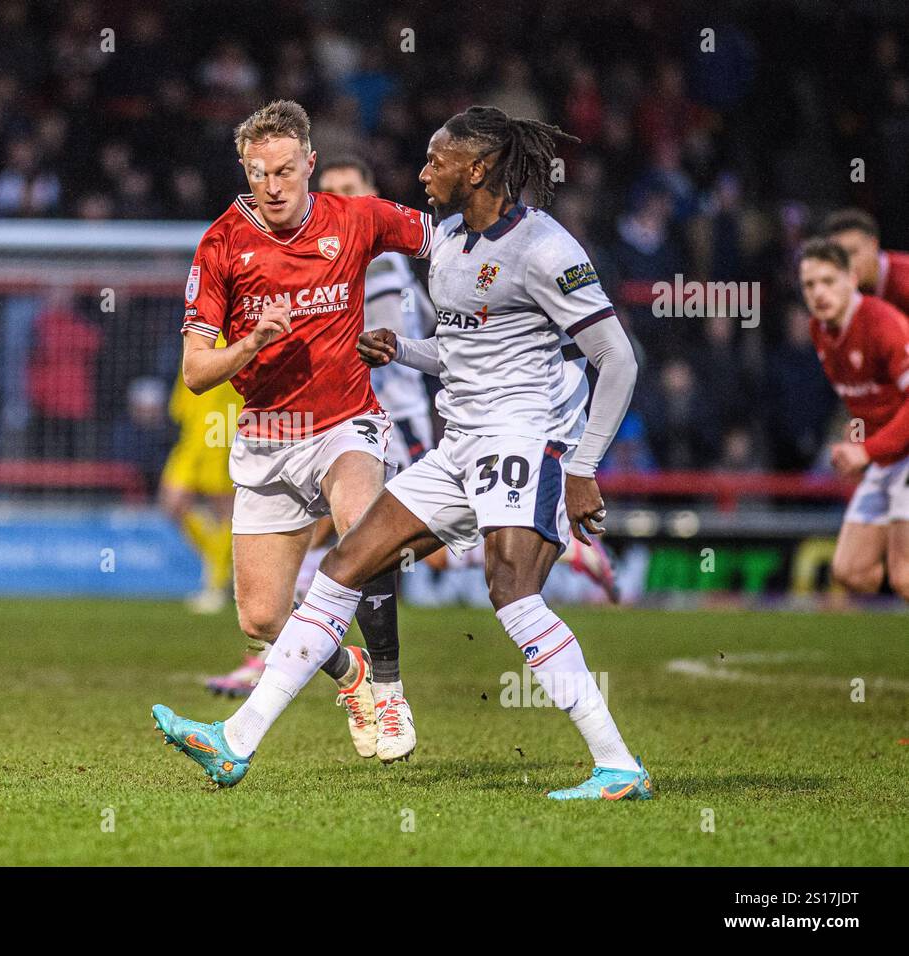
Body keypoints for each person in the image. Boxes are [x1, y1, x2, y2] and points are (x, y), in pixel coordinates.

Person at [155, 106, 651, 801]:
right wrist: (404, 350)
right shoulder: (448, 247)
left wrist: (582, 465)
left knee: (511, 592)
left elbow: (616, 357)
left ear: (476, 169)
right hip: (455, 445)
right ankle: (236, 741)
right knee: (345, 564)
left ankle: (617, 764)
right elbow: (459, 354)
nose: (422, 173)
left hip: (519, 438)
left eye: (435, 161)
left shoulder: (544, 247)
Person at [174, 101, 433, 764]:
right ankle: (350, 674)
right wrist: (251, 343)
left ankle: (394, 691)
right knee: (260, 620)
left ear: (310, 164)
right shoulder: (221, 245)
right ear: (245, 171)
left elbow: (446, 239)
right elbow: (198, 372)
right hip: (267, 436)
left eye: (286, 170)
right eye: (260, 173)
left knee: (362, 527)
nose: (275, 185)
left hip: (347, 420)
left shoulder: (357, 218)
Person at [800, 238, 909, 600]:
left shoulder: (884, 325)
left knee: (905, 575)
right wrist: (858, 436)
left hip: (900, 453)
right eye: (810, 285)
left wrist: (867, 450)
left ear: (851, 278)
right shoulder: (821, 331)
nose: (819, 293)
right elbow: (867, 398)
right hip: (887, 457)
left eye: (828, 281)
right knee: (851, 571)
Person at [159, 347, 242, 614]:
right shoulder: (197, 332)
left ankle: (216, 585)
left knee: (225, 511)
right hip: (192, 434)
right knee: (173, 503)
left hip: (222, 430)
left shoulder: (237, 333)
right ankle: (220, 564)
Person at [822, 209, 909, 315]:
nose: (847, 263)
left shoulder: (905, 281)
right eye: (839, 256)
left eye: (852, 252)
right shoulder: (840, 288)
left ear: (874, 245)